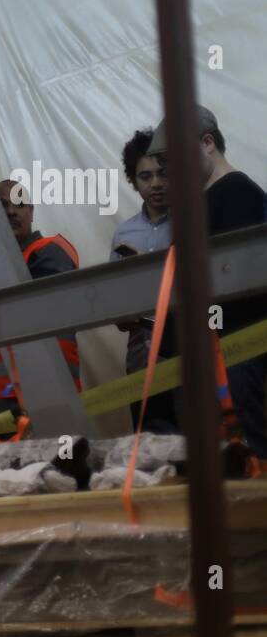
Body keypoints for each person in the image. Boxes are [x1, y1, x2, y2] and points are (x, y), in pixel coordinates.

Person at [150, 105, 267, 455]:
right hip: (221, 359)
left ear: (206, 143)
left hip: (233, 358)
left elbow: (238, 297)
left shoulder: (236, 195)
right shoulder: (212, 201)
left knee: (243, 462)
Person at [0, 181, 82, 416]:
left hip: (43, 391)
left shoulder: (49, 251)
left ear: (31, 212)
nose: (11, 211)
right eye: (2, 205)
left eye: (19, 205)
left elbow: (46, 313)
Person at [112, 128, 177, 433]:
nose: (156, 184)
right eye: (145, 176)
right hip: (140, 360)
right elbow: (116, 311)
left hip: (187, 355)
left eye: (163, 173)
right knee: (150, 449)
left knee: (197, 448)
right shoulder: (124, 234)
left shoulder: (196, 221)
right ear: (133, 181)